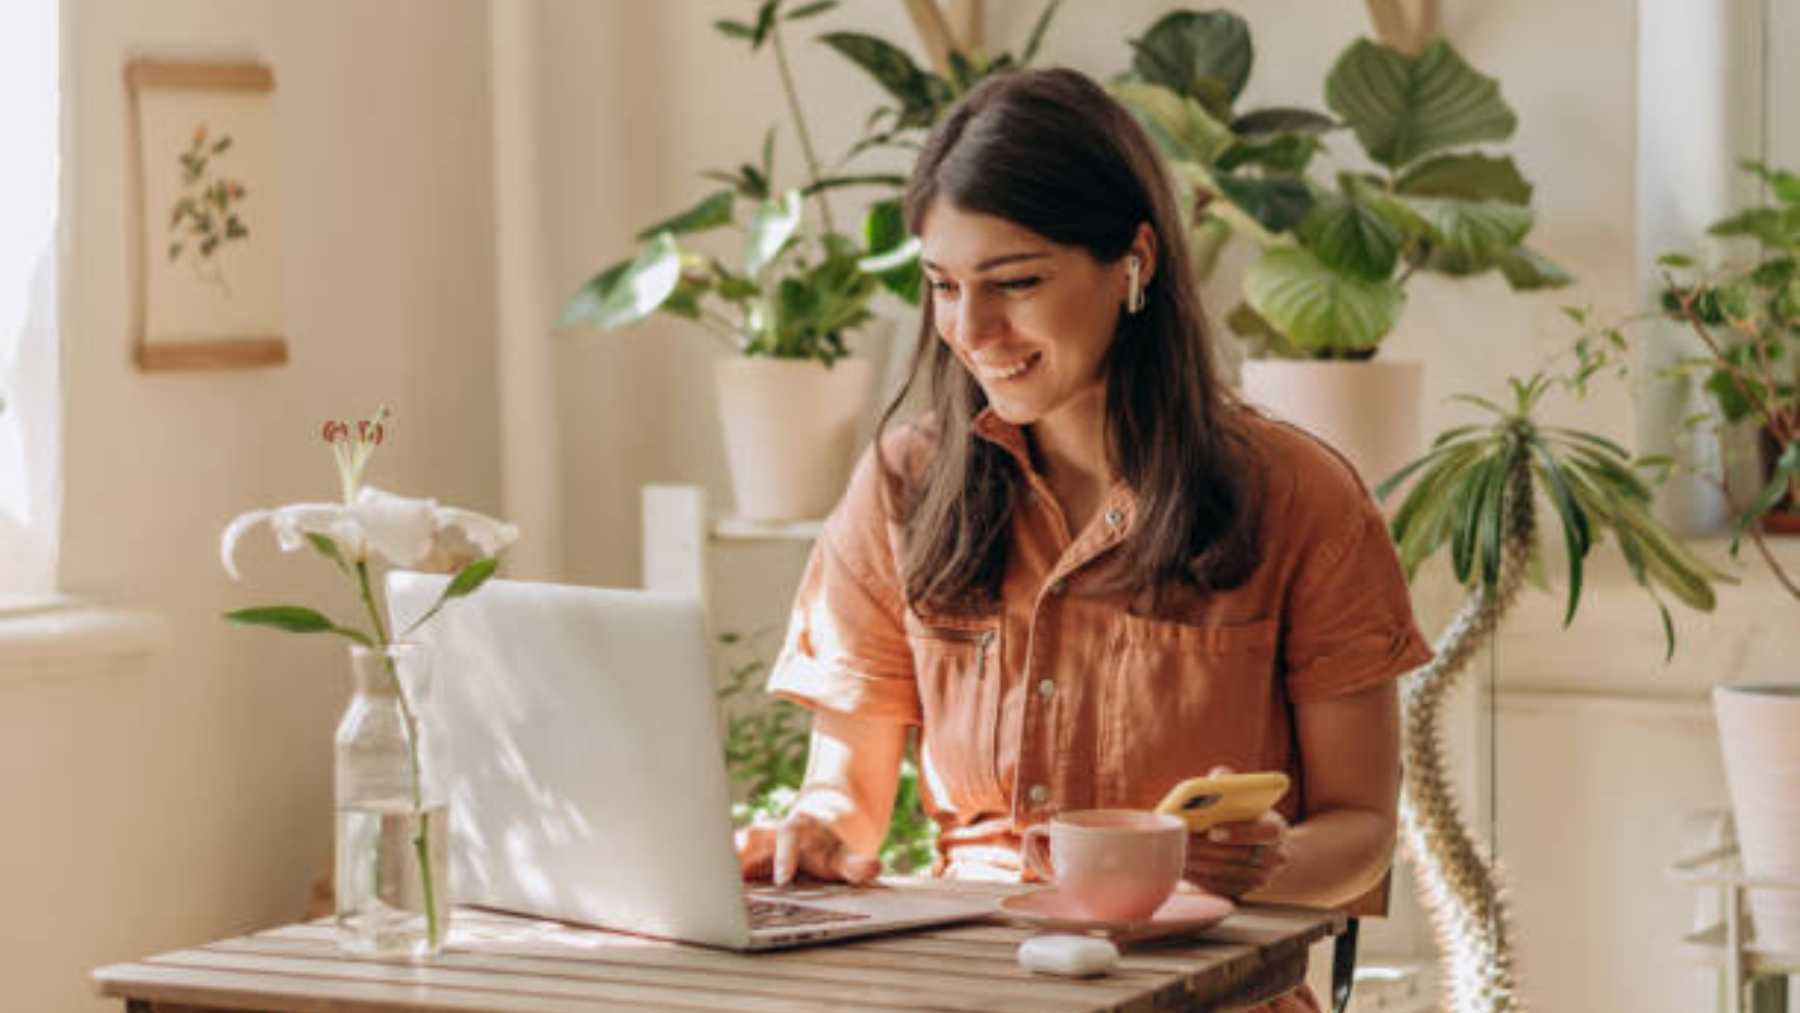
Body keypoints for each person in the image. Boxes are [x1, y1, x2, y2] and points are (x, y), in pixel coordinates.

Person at [735, 67, 1432, 1012]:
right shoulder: (905, 484)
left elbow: (1362, 827)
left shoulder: (1299, 496)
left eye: (1015, 282)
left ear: (1134, 261)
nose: (971, 331)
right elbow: (845, 801)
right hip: (969, 987)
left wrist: (1255, 864)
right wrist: (809, 835)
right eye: (943, 286)